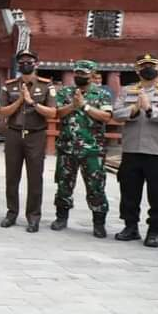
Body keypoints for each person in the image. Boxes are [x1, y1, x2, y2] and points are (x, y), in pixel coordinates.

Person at [112, 53, 158, 248]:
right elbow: (116, 113)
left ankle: (154, 230)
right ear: (137, 70)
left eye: (152, 65)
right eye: (143, 66)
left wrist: (150, 110)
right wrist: (134, 110)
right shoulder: (128, 91)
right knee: (129, 192)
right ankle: (130, 227)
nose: (148, 69)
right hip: (132, 150)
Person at [50, 59, 113, 237]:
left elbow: (106, 117)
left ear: (92, 75)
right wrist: (73, 105)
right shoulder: (65, 92)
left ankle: (99, 223)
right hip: (67, 147)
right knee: (64, 184)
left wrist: (85, 106)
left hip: (92, 150)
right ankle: (61, 217)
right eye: (77, 73)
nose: (79, 76)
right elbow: (58, 113)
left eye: (83, 74)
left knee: (96, 187)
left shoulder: (101, 94)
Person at [0, 49, 56, 232]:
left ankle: (33, 217)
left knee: (35, 178)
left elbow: (52, 113)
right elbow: (2, 112)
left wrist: (31, 102)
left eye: (29, 61)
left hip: (36, 134)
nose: (25, 64)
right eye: (22, 62)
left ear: (36, 64)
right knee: (12, 177)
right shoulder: (9, 86)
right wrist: (20, 100)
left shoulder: (47, 86)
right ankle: (11, 213)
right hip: (14, 134)